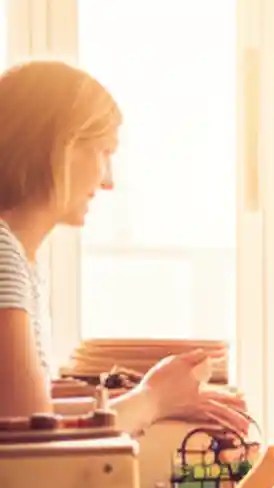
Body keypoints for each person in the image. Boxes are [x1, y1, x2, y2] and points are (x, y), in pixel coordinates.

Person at [0, 60, 247, 435]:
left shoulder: (19, 258)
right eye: (103, 152)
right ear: (58, 146)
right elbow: (33, 445)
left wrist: (158, 398)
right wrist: (153, 399)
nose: (108, 180)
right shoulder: (4, 254)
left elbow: (31, 418)